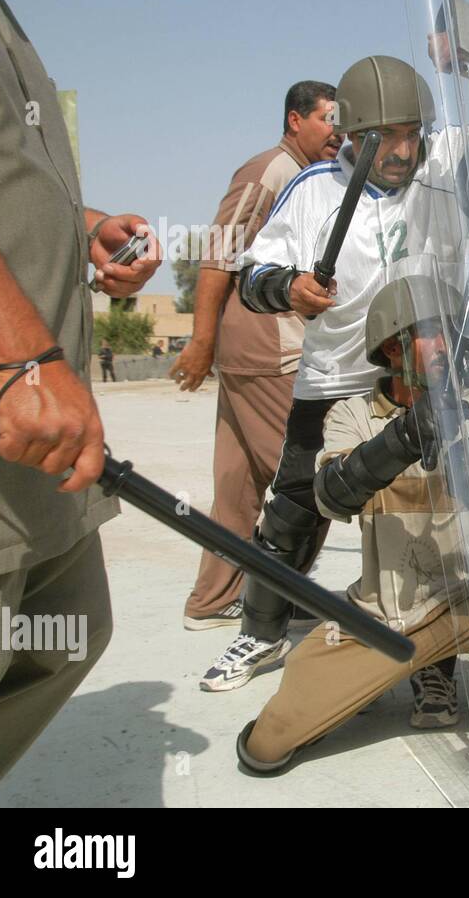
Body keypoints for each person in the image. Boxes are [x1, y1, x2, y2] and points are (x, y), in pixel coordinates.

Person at [200, 50, 469, 692]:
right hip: (335, 374)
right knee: (294, 510)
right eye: (383, 136)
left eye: (411, 133)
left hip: (427, 374)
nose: (401, 149)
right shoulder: (311, 192)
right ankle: (261, 633)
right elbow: (253, 278)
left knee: (438, 514)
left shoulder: (453, 165)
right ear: (352, 134)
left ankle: (433, 658)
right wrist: (291, 289)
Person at [0, 0, 160, 795]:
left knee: (66, 633)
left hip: (36, 427)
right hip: (9, 393)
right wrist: (18, 352)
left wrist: (76, 225)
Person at [235, 276, 469, 772]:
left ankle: (433, 667)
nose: (447, 346)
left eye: (453, 333)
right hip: (386, 614)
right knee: (266, 747)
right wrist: (407, 436)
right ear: (393, 345)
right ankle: (387, 668)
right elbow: (330, 496)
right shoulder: (352, 415)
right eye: (433, 332)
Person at [173, 80, 340, 632]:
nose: (336, 132)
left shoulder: (312, 175)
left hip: (257, 349)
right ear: (296, 121)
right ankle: (276, 603)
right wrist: (201, 341)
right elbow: (220, 254)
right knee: (311, 483)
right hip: (268, 350)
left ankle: (212, 600)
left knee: (239, 484)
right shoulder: (270, 170)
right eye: (327, 120)